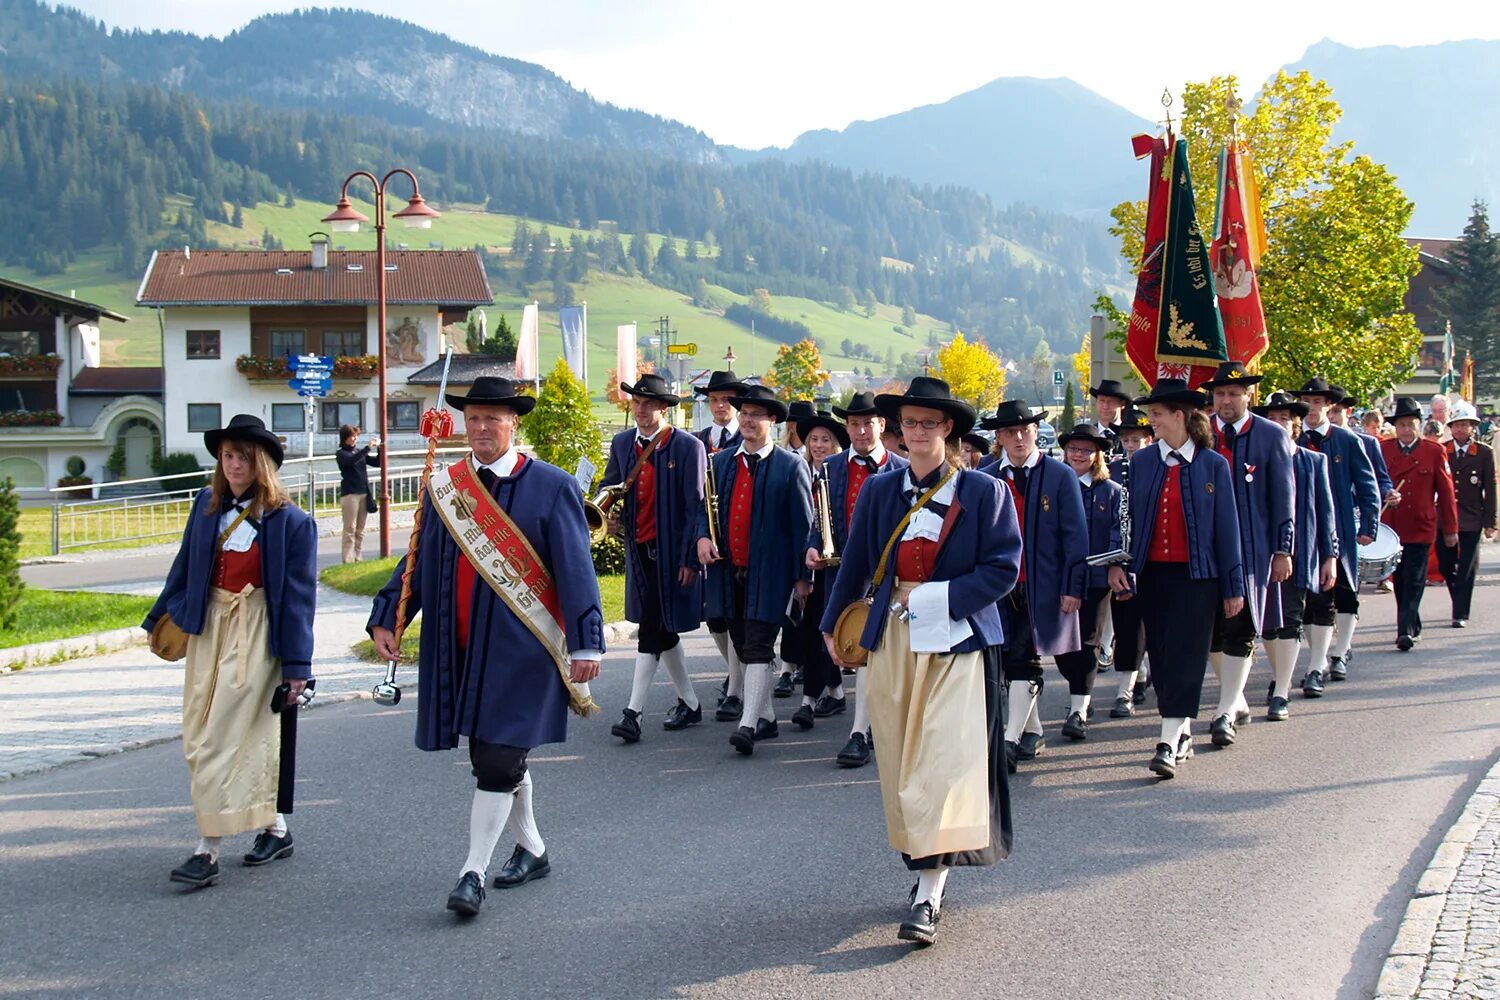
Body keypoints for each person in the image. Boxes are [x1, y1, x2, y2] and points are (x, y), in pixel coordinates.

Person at [367, 376, 604, 917]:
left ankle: (470, 873)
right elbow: (418, 563)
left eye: (492, 419)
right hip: (461, 650)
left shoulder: (552, 485)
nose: (480, 429)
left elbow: (575, 570)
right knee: (495, 757)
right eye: (472, 419)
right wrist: (390, 616)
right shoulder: (446, 486)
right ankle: (534, 850)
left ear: (513, 423)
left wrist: (587, 641)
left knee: (496, 758)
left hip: (524, 650)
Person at [818, 376, 1021, 946]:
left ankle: (928, 893)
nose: (918, 433)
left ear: (948, 429)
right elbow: (857, 561)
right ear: (898, 430)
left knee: (939, 761)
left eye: (930, 423)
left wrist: (938, 598)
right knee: (904, 764)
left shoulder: (983, 493)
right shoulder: (882, 491)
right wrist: (831, 625)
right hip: (893, 641)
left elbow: (1003, 568)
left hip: (957, 642)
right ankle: (924, 872)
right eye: (910, 423)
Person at [144, 414, 317, 888]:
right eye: (227, 456)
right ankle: (275, 827)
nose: (234, 464)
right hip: (207, 629)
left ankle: (208, 848)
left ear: (260, 462)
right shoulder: (205, 506)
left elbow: (300, 599)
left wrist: (298, 665)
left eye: (242, 456)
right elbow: (184, 568)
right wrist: (158, 618)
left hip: (256, 634)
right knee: (200, 732)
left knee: (223, 737)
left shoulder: (291, 523)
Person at [1117, 379, 1242, 778]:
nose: (1150, 420)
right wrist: (1119, 564)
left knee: (1188, 655)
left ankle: (1167, 740)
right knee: (1163, 656)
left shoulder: (1213, 465)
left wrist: (1233, 585)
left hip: (1198, 578)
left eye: (1156, 414)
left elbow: (1228, 529)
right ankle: (1182, 731)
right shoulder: (1142, 462)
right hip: (1152, 574)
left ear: (1179, 416)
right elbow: (1128, 520)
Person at [695, 384, 813, 755]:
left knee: (760, 643)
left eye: (756, 415)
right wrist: (701, 537)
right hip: (728, 571)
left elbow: (803, 525)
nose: (747, 420)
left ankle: (748, 723)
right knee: (743, 645)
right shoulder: (721, 462)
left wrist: (802, 578)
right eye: (744, 413)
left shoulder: (791, 466)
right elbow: (706, 512)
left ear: (773, 421)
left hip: (771, 572)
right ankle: (765, 718)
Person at [978, 400, 1087, 772]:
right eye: (1010, 432)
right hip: (997, 585)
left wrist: (1074, 586)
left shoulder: (1059, 475)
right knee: (1008, 659)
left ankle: (1008, 740)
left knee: (1025, 656)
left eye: (1025, 430)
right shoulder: (987, 474)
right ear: (999, 437)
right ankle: (1032, 730)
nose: (1019, 437)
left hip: (1042, 583)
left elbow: (1076, 536)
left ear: (1034, 432)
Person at [803, 390, 909, 766]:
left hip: (893, 577)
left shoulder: (901, 468)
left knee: (886, 652)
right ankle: (861, 731)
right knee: (859, 651)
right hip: (844, 574)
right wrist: (813, 547)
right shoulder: (830, 468)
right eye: (853, 424)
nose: (861, 431)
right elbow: (820, 519)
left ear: (882, 425)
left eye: (868, 423)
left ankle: (873, 731)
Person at [603, 374, 707, 744]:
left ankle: (633, 713)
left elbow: (695, 508)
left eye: (649, 404)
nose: (641, 410)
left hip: (671, 555)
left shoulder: (687, 447)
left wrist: (689, 560)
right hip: (638, 551)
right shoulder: (620, 444)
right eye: (637, 403)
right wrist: (610, 517)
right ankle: (691, 703)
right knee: (662, 630)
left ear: (664, 408)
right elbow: (610, 487)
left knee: (650, 631)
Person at [1199, 361, 1295, 749]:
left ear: (1248, 396)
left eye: (1234, 394)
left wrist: (1282, 549)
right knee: (1213, 631)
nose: (1226, 400)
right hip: (1207, 550)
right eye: (1220, 393)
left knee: (1242, 626)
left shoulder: (1271, 436)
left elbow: (1283, 498)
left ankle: (1224, 711)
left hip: (1254, 550)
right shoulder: (1200, 432)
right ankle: (1233, 699)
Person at [1253, 392, 1338, 721]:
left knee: (1290, 618)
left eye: (1285, 419)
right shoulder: (1254, 461)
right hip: (1261, 552)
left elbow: (1326, 512)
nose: (1278, 424)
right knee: (1267, 626)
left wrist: (1330, 556)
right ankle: (1279, 674)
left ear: (1296, 425)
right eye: (1272, 419)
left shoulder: (1313, 461)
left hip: (1298, 552)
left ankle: (1281, 691)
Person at [1294, 377, 1380, 689]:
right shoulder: (1293, 442)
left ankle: (1340, 651)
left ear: (1330, 406)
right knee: (1311, 598)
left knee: (1344, 593)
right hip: (1304, 533)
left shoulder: (1347, 440)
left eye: (1318, 401)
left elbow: (1369, 486)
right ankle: (1316, 662)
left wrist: (1368, 525)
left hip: (1340, 531)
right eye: (1307, 401)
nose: (1312, 407)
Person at [1055, 421, 1122, 740]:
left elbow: (1117, 533)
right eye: (1073, 449)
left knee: (1088, 643)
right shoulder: (1054, 486)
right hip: (1059, 578)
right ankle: (1078, 691)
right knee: (1062, 647)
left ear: (1097, 456)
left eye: (1086, 450)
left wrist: (1113, 566)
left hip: (1096, 579)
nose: (1079, 454)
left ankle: (1079, 709)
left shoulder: (1111, 492)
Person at [1381, 397, 1459, 651]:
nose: (1406, 429)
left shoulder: (1433, 451)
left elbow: (1446, 494)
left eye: (1411, 424)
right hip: (1393, 525)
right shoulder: (1384, 450)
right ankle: (1411, 624)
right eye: (1402, 424)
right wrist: (1385, 496)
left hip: (1421, 525)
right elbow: (1372, 485)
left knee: (1415, 577)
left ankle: (1404, 630)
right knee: (1400, 579)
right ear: (1395, 427)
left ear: (1419, 425)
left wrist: (1450, 529)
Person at [788, 408, 849, 732]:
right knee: (815, 631)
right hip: (808, 563)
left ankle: (809, 701)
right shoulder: (799, 471)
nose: (819, 445)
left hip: (836, 567)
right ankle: (833, 693)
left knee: (823, 631)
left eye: (826, 439)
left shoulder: (838, 474)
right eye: (814, 439)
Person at [1107, 407, 1154, 717]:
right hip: (1124, 558)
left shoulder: (1160, 466)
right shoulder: (1113, 470)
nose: (1131, 445)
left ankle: (1145, 672)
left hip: (1156, 557)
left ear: (1149, 439)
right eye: (1126, 439)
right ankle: (1125, 689)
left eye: (1137, 439)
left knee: (1155, 625)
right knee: (1127, 626)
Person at [1439, 402, 1498, 627]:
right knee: (1446, 564)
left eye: (1466, 425)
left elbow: (1490, 489)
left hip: (1472, 516)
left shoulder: (1483, 452)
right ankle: (1459, 599)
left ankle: (1460, 613)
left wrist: (1490, 521)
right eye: (1457, 425)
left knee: (1467, 565)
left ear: (1473, 427)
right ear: (1451, 427)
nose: (1462, 429)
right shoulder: (1443, 450)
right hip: (1445, 516)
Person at [335, 423, 380, 563]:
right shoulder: (341, 454)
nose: (354, 439)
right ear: (345, 438)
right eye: (351, 436)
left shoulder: (358, 451)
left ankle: (358, 557)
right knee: (350, 528)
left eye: (355, 436)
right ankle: (347, 559)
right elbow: (351, 462)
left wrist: (378, 449)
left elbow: (376, 463)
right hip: (350, 494)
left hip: (363, 493)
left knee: (360, 529)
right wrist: (368, 448)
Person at [693, 369, 746, 454]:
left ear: (737, 401)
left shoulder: (748, 440)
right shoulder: (696, 440)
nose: (719, 405)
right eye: (714, 399)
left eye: (726, 399)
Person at [1089, 378, 1134, 456]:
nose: (1105, 406)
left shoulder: (1131, 434)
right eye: (1102, 401)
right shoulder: (1089, 435)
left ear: (1122, 404)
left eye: (1111, 401)